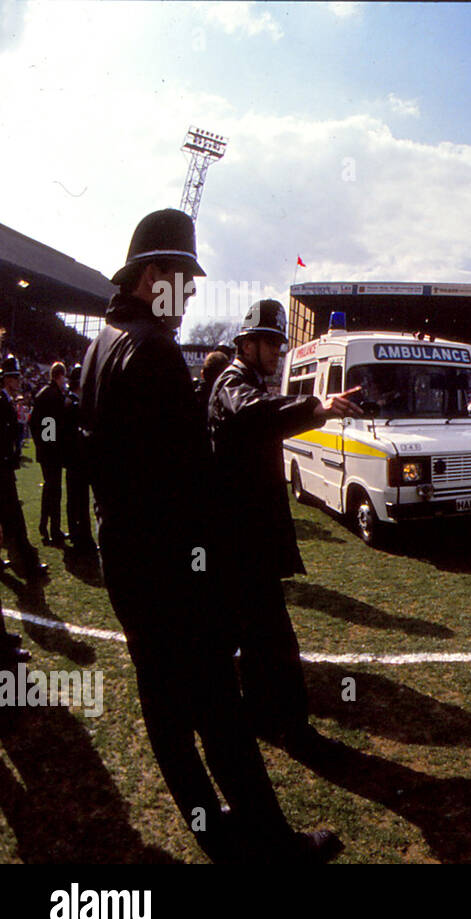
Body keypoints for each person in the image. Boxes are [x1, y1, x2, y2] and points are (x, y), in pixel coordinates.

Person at [81, 208, 339, 862]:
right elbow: (187, 485)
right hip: (171, 575)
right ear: (152, 276)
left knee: (166, 714)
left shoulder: (99, 347)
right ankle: (274, 845)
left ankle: (213, 834)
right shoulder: (155, 351)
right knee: (219, 714)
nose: (190, 295)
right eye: (183, 281)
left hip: (127, 565)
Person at [208, 298, 363, 754]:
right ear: (248, 343)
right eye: (271, 344)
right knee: (274, 644)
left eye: (279, 343)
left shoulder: (247, 383)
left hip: (245, 541)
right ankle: (293, 731)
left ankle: (262, 720)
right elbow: (257, 413)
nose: (278, 353)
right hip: (240, 545)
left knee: (256, 644)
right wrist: (318, 406)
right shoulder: (233, 385)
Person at [0, 356, 46, 578]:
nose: (18, 382)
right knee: (14, 518)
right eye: (14, 378)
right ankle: (29, 564)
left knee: (8, 516)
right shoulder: (2, 400)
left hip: (6, 464)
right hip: (2, 466)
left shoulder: (7, 400)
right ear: (7, 379)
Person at [32, 361, 68, 544]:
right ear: (59, 375)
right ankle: (54, 528)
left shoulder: (42, 394)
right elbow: (51, 425)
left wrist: (42, 444)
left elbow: (36, 424)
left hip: (45, 450)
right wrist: (52, 446)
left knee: (49, 488)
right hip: (51, 451)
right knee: (54, 490)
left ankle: (45, 525)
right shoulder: (54, 396)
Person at [63, 364, 95, 551]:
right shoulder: (73, 404)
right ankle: (82, 538)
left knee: (75, 500)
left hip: (73, 461)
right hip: (78, 461)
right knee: (79, 501)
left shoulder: (69, 402)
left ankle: (78, 535)